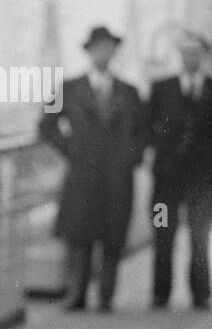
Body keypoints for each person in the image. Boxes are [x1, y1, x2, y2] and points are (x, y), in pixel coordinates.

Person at [38, 26, 146, 311]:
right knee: (80, 237)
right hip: (83, 175)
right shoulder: (69, 88)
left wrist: (129, 156)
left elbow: (143, 132)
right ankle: (77, 296)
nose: (103, 53)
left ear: (114, 52)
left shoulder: (130, 91)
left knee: (112, 238)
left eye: (108, 47)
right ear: (88, 52)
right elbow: (46, 125)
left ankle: (106, 298)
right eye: (98, 47)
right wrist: (71, 149)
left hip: (117, 177)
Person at [148, 32, 212, 309]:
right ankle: (161, 294)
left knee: (199, 237)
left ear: (203, 56)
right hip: (166, 179)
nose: (191, 58)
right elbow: (145, 124)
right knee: (164, 233)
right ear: (180, 56)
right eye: (187, 53)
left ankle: (200, 294)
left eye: (196, 53)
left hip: (202, 179)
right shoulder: (162, 88)